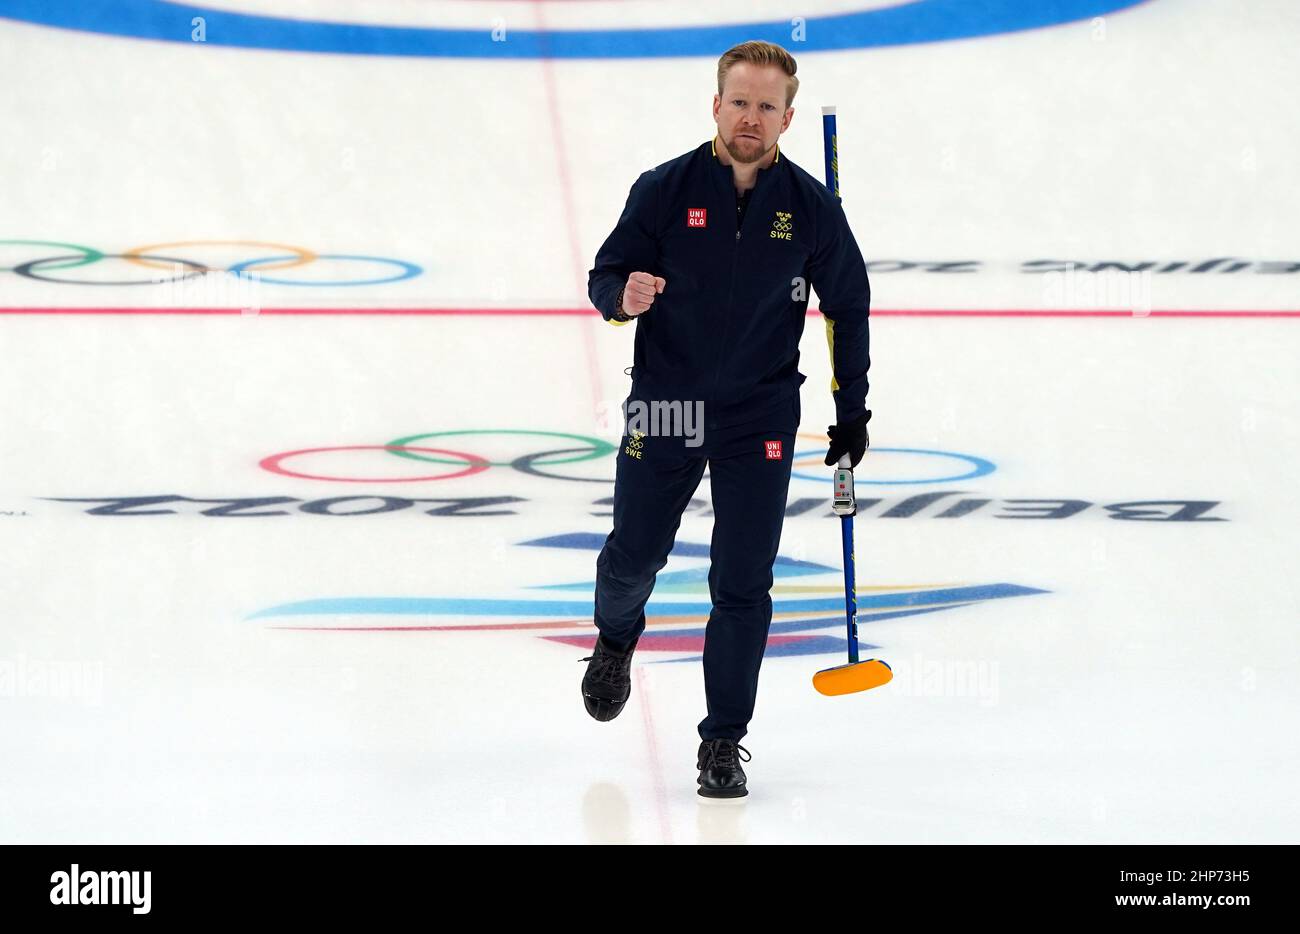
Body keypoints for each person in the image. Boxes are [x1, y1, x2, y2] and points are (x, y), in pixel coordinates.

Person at [581, 40, 872, 798]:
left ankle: (722, 741)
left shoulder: (812, 210)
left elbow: (848, 306)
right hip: (668, 402)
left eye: (767, 106)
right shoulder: (664, 189)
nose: (751, 117)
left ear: (788, 117)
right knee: (632, 557)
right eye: (739, 101)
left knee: (742, 583)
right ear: (716, 104)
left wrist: (851, 412)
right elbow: (604, 273)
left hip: (758, 412)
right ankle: (616, 639)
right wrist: (622, 298)